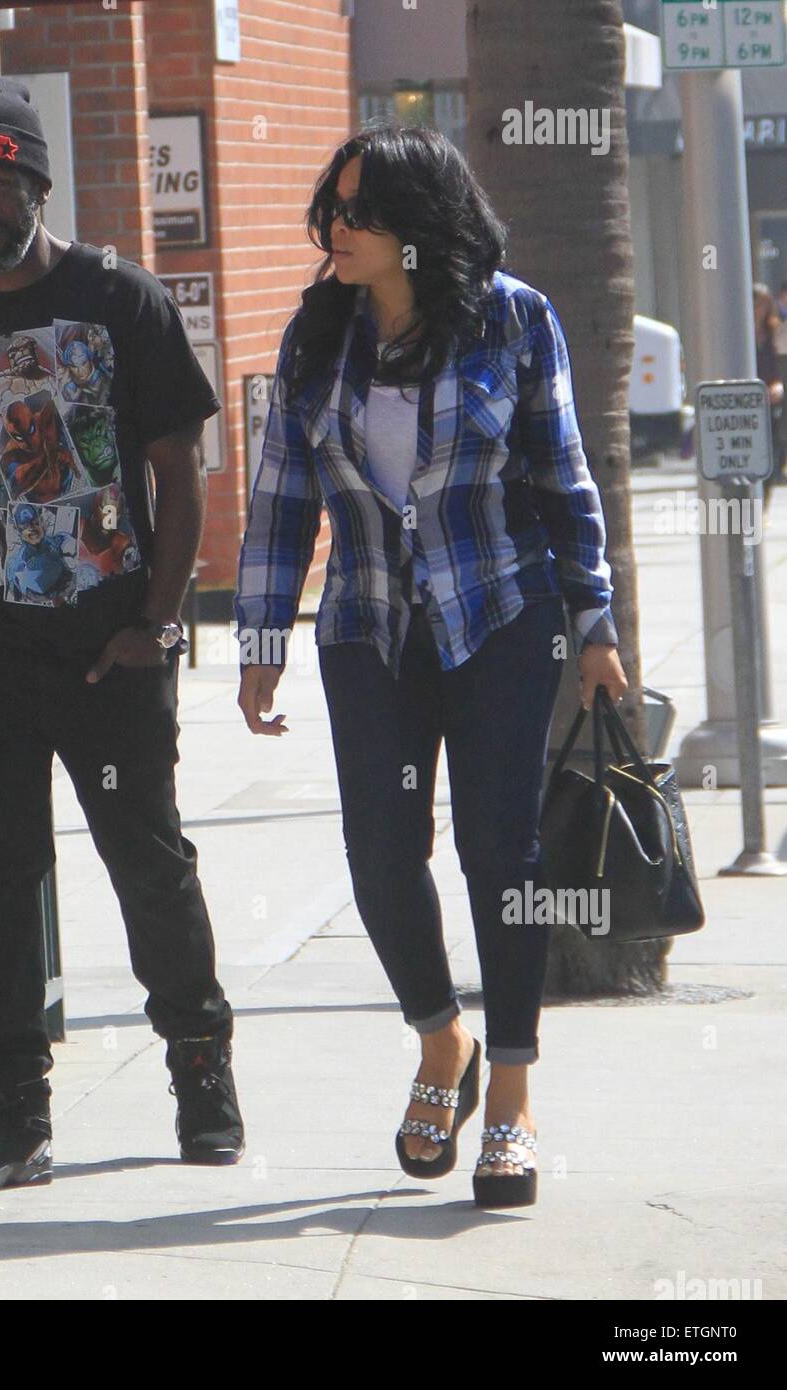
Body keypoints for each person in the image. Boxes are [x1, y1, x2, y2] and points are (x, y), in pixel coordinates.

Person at [235, 126, 628, 1209]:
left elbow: (560, 473)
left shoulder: (513, 315)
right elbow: (280, 497)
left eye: (359, 212)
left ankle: (508, 1093)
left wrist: (592, 621)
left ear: (421, 223)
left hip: (500, 613)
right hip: (368, 625)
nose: (337, 231)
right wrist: (261, 636)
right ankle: (436, 1039)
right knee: (377, 855)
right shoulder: (319, 335)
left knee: (498, 850)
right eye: (333, 210)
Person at [0, 74, 242, 1192]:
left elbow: (178, 479)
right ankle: (14, 1117)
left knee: (148, 861)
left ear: (33, 179)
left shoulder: (119, 300)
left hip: (107, 645)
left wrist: (154, 621)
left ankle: (200, 1070)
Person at [753, 284, 787, 507]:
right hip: (748, 399)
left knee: (770, 449)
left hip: (770, 398)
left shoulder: (777, 331)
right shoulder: (735, 333)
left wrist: (778, 386)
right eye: (756, 304)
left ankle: (763, 502)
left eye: (763, 304)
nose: (759, 309)